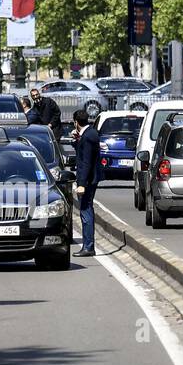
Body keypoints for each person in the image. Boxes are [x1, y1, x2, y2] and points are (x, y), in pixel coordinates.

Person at [72, 108, 103, 257]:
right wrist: (76, 140)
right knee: (86, 209)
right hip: (89, 178)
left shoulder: (89, 136)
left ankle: (88, 246)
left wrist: (81, 184)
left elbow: (86, 162)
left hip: (88, 179)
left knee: (86, 210)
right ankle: (88, 245)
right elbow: (83, 153)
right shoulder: (88, 134)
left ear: (76, 122)